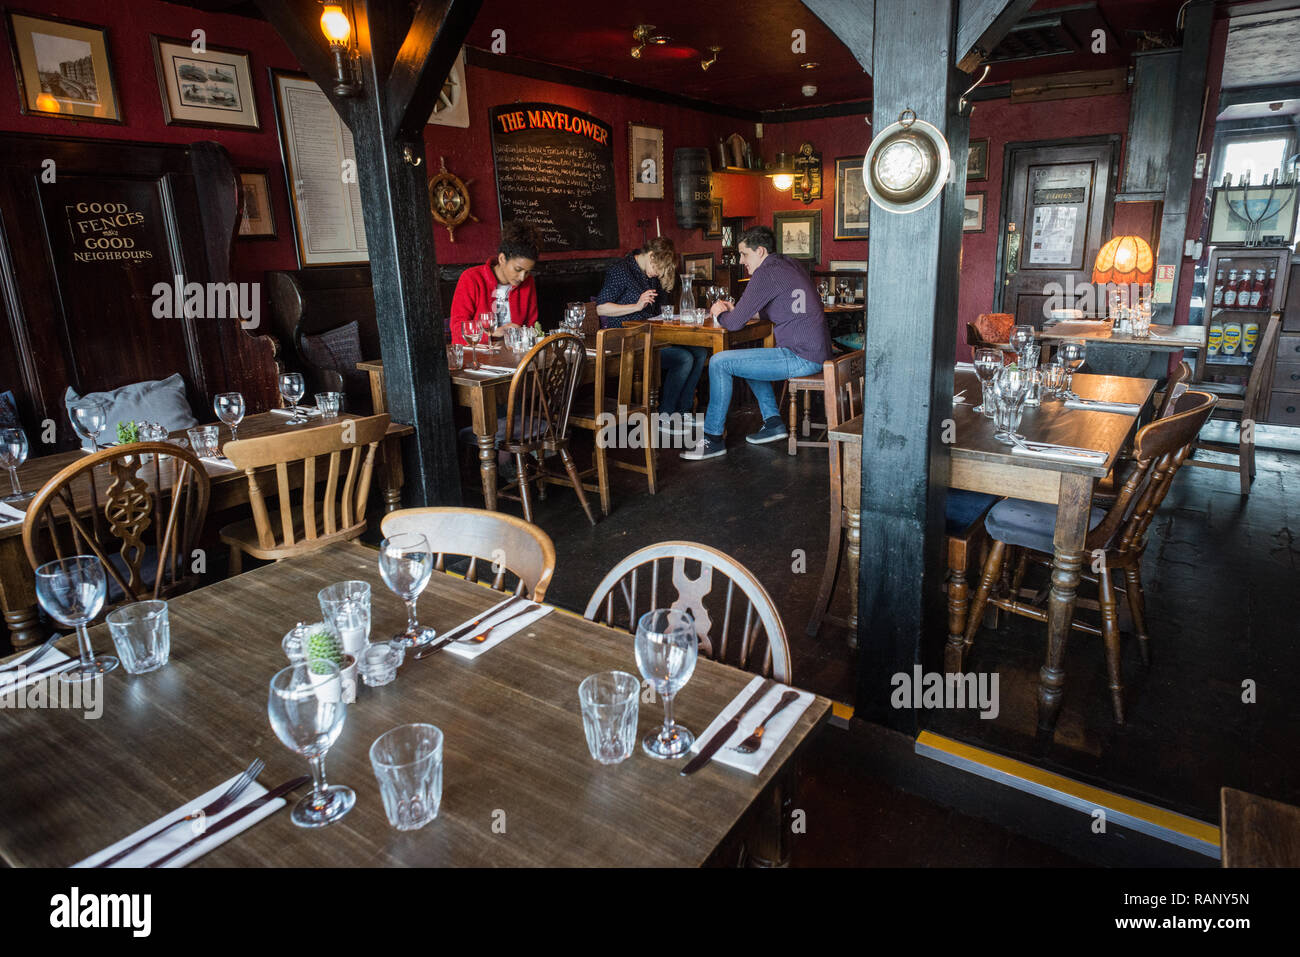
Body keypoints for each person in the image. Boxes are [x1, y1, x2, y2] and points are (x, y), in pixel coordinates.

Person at [681, 225, 831, 460]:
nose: (742, 261)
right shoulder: (788, 264)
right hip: (815, 351)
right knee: (747, 359)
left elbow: (733, 324)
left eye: (744, 254)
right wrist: (739, 310)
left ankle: (713, 439)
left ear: (760, 251)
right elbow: (784, 309)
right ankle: (773, 423)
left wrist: (720, 312)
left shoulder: (766, 273)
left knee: (720, 362)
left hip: (800, 356)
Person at [596, 237, 709, 432]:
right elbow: (601, 308)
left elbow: (660, 309)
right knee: (683, 358)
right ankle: (664, 417)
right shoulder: (620, 271)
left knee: (699, 352)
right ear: (650, 255)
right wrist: (637, 306)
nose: (658, 273)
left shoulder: (652, 276)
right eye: (658, 268)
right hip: (627, 340)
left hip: (654, 337)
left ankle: (682, 412)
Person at [449, 221, 541, 345]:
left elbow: (532, 327)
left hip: (515, 355)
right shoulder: (472, 278)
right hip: (479, 356)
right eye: (518, 269)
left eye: (527, 272)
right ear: (502, 259)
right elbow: (457, 330)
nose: (522, 277)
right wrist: (491, 335)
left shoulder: (528, 283)